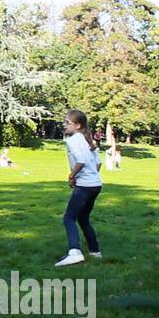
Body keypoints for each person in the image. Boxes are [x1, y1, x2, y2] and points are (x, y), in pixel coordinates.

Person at [55, 109, 103, 267]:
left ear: (78, 125)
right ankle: (95, 252)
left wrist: (71, 176)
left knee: (68, 218)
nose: (64, 125)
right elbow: (98, 163)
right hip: (96, 185)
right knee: (83, 218)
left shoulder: (73, 139)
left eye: (67, 123)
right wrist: (91, 177)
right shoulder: (88, 139)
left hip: (85, 186)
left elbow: (81, 161)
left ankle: (74, 252)